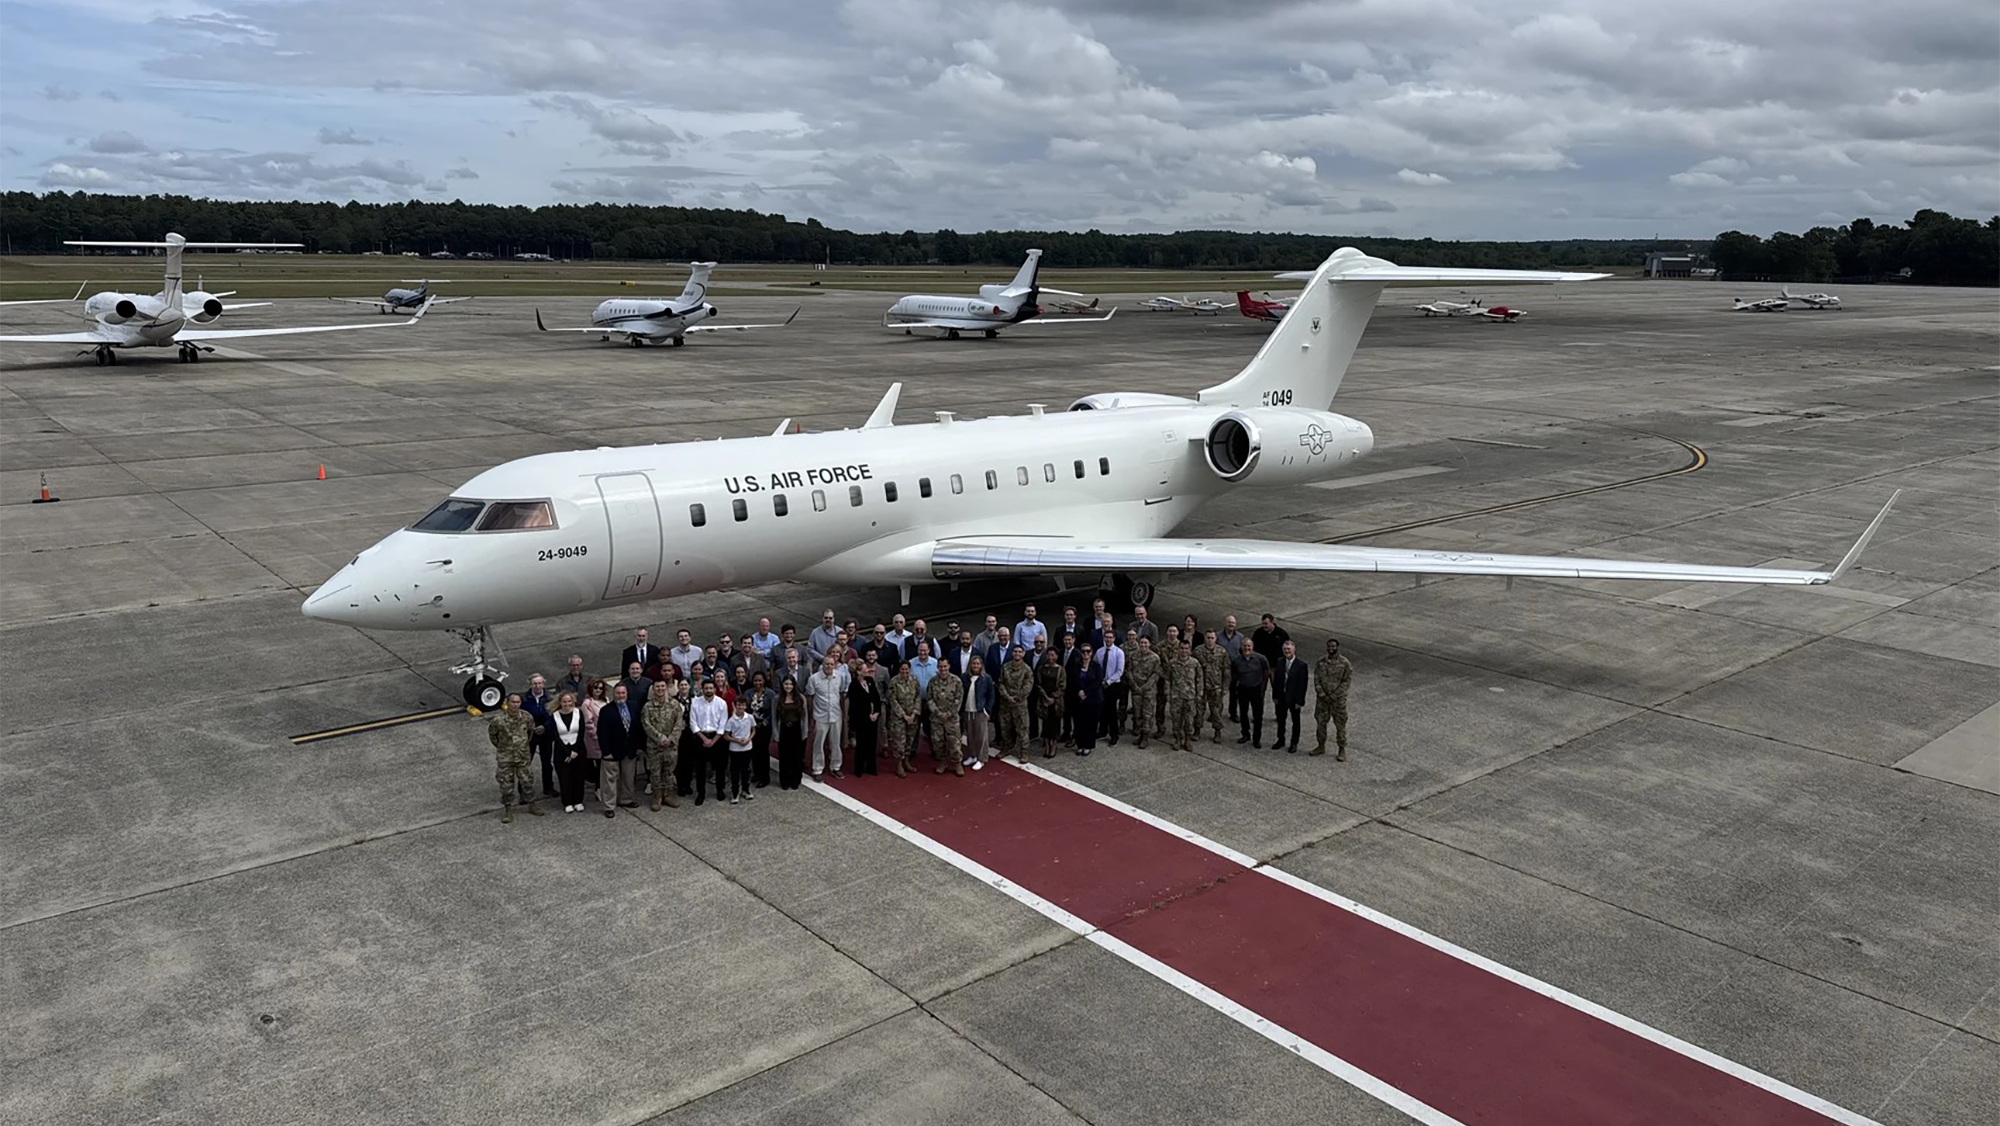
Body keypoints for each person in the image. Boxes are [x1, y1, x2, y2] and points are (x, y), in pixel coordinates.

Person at [488, 694, 541, 823]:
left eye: (517, 702)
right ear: (507, 703)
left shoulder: (527, 717)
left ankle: (532, 804)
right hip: (505, 757)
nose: (515, 705)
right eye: (513, 702)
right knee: (506, 784)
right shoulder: (498, 720)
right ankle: (508, 809)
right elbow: (493, 737)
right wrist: (504, 748)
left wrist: (522, 746)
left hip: (522, 756)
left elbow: (530, 733)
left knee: (527, 781)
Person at [596, 682, 644, 814]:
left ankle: (626, 799)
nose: (620, 695)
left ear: (627, 694)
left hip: (630, 750)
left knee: (628, 778)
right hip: (612, 751)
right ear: (613, 694)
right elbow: (601, 733)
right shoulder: (606, 710)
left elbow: (638, 728)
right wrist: (606, 752)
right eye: (618, 693)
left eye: (623, 693)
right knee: (609, 780)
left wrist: (638, 747)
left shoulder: (634, 706)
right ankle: (609, 806)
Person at [641, 682, 684, 811]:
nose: (660, 689)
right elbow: (646, 724)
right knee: (655, 773)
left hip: (671, 746)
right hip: (655, 747)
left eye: (662, 687)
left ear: (666, 689)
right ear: (653, 690)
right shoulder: (647, 707)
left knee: (669, 772)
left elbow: (679, 723)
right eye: (657, 687)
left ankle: (668, 795)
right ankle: (657, 797)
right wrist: (660, 737)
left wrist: (671, 738)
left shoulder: (674, 705)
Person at [687, 680, 729, 804]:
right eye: (706, 688)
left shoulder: (722, 703)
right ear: (703, 689)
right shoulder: (695, 703)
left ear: (715, 689)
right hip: (701, 738)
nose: (709, 691)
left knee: (720, 768)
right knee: (700, 769)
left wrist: (714, 740)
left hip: (718, 739)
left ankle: (720, 790)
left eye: (711, 688)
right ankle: (701, 793)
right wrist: (704, 739)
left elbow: (723, 724)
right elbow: (693, 723)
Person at [807, 653, 847, 779]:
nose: (829, 666)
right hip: (820, 715)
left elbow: (841, 695)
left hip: (836, 715)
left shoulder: (840, 677)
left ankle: (836, 767)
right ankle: (817, 769)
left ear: (835, 665)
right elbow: (810, 697)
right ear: (822, 665)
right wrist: (811, 716)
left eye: (831, 664)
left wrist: (843, 713)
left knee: (836, 743)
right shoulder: (814, 679)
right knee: (818, 743)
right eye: (826, 664)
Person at [1313, 638, 1355, 760]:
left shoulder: (1345, 663)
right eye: (1329, 646)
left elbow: (1346, 681)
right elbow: (1316, 679)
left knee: (1340, 725)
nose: (1331, 648)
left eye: (1333, 646)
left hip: (1338, 701)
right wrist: (1322, 694)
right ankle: (1320, 746)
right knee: (1321, 723)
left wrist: (1334, 695)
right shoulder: (1320, 662)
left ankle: (1342, 749)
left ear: (1337, 647)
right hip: (1322, 700)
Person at [519, 673, 557, 799]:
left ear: (544, 684)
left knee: (547, 763)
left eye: (540, 683)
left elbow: (553, 716)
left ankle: (548, 788)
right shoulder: (524, 699)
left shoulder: (550, 698)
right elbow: (520, 717)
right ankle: (524, 792)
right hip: (529, 735)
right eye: (535, 683)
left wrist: (545, 727)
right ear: (530, 685)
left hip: (545, 734)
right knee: (525, 763)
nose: (537, 686)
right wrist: (530, 728)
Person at [551, 691, 589, 812]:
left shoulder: (579, 713)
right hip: (561, 752)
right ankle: (567, 802)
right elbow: (556, 736)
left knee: (579, 776)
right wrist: (568, 752)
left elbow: (582, 731)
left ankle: (578, 800)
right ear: (560, 702)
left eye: (569, 701)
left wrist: (576, 750)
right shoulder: (555, 716)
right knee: (565, 778)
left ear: (573, 702)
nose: (567, 704)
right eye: (564, 701)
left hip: (578, 750)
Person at [848, 650, 884, 776]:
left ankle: (871, 767)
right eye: (864, 669)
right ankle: (859, 769)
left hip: (873, 718)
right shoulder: (854, 686)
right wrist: (867, 715)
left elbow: (876, 698)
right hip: (861, 720)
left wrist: (876, 713)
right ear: (858, 671)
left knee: (872, 744)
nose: (867, 670)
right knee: (861, 745)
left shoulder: (870, 681)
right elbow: (855, 706)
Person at [1272, 639, 1310, 753]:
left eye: (1289, 649)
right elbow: (1277, 681)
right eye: (1285, 649)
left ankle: (1294, 742)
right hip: (1281, 697)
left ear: (1294, 649)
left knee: (1295, 721)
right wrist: (1275, 696)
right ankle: (1280, 739)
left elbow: (1303, 685)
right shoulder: (1280, 662)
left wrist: (1300, 701)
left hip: (1294, 699)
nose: (1286, 651)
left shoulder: (1301, 665)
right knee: (1281, 719)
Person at [996, 646, 1033, 763]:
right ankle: (1006, 747)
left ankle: (1024, 751)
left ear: (1023, 654)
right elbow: (1000, 683)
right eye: (1015, 651)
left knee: (1023, 729)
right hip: (1005, 704)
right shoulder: (1005, 667)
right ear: (1012, 653)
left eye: (1019, 652)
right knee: (1005, 727)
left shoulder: (1027, 669)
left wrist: (1016, 698)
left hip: (1020, 705)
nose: (1017, 654)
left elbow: (1028, 687)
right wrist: (1007, 697)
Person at [1165, 641, 1203, 753]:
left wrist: (1199, 694)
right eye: (1181, 648)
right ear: (1178, 649)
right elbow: (1167, 679)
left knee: (1189, 720)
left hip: (1190, 697)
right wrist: (1167, 693)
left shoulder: (1195, 663)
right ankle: (1177, 739)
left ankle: (1188, 740)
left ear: (1189, 649)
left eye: (1186, 648)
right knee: (1176, 720)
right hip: (1176, 696)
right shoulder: (1172, 663)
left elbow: (1199, 679)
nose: (1184, 651)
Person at [927, 661, 965, 775]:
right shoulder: (933, 681)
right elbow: (930, 699)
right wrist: (938, 713)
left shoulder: (956, 681)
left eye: (945, 666)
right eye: (940, 667)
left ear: (949, 666)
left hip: (951, 718)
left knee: (954, 743)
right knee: (938, 742)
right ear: (937, 667)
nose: (943, 669)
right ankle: (942, 762)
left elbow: (958, 700)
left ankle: (957, 763)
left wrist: (948, 714)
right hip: (936, 719)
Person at [1232, 637, 1271, 747]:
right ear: (1241, 647)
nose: (1246, 648)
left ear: (1252, 647)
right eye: (1244, 646)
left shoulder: (1261, 659)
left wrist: (1262, 687)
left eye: (1249, 646)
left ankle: (1256, 739)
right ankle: (1245, 734)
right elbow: (1234, 675)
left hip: (1256, 689)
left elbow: (1267, 672)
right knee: (1243, 713)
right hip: (1243, 689)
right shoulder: (1236, 661)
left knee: (1257, 715)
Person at [1251, 613, 1291, 720]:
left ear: (1272, 622)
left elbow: (1288, 650)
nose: (1264, 626)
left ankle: (1280, 715)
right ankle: (1258, 715)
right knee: (1259, 693)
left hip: (1276, 668)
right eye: (1263, 624)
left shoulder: (1281, 634)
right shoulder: (1258, 633)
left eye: (1266, 624)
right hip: (1261, 668)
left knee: (1278, 692)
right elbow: (1253, 649)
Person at [1194, 630, 1231, 743]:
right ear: (1204, 638)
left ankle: (1217, 732)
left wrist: (1225, 687)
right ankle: (1197, 730)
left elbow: (1226, 670)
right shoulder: (1197, 651)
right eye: (1208, 638)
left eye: (1212, 638)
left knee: (1216, 712)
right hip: (1201, 687)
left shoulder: (1222, 652)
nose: (1210, 640)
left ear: (1215, 639)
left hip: (1216, 687)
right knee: (1199, 711)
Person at [886, 661, 922, 777]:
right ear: (899, 670)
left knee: (909, 740)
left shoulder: (914, 681)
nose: (905, 671)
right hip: (899, 718)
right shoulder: (894, 682)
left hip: (912, 717)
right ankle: (899, 764)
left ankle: (906, 761)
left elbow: (918, 697)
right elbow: (893, 700)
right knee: (899, 743)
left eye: (907, 669)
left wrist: (914, 713)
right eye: (902, 669)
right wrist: (903, 715)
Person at [1126, 636, 1163, 749]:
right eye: (1141, 643)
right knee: (1138, 714)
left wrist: (1145, 687)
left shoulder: (1155, 658)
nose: (1143, 645)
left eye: (1145, 643)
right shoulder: (1133, 656)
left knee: (1147, 714)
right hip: (1136, 690)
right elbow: (1129, 671)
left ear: (1150, 644)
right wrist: (1134, 685)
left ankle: (1145, 737)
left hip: (1148, 691)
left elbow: (1156, 674)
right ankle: (1141, 735)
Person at [774, 677, 809, 789]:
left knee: (796, 756)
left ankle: (795, 780)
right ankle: (784, 781)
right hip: (783, 729)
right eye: (786, 684)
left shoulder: (801, 698)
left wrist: (805, 732)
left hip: (797, 729)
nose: (788, 686)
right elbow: (774, 717)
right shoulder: (777, 699)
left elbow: (805, 717)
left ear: (794, 685)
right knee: (784, 757)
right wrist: (775, 733)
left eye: (790, 684)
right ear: (782, 685)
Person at [1034, 643, 1066, 758]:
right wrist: (1045, 697)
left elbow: (1062, 686)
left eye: (1053, 655)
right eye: (1048, 655)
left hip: (1055, 701)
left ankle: (1054, 745)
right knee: (1045, 724)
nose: (1050, 657)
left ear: (1056, 656)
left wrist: (1053, 698)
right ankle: (1047, 745)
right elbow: (1038, 684)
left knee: (1055, 723)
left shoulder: (1060, 670)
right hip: (1044, 700)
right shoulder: (1041, 668)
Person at [962, 655, 994, 769]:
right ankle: (972, 755)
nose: (975, 666)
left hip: (980, 711)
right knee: (970, 736)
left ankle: (982, 758)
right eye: (973, 663)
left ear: (981, 665)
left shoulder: (986, 678)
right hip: (968, 711)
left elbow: (991, 695)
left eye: (977, 664)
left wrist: (987, 709)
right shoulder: (965, 678)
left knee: (981, 736)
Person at [745, 670, 775, 788]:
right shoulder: (748, 693)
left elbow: (772, 712)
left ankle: (765, 777)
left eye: (760, 680)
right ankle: (756, 774)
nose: (758, 683)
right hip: (751, 727)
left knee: (763, 752)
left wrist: (764, 723)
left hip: (765, 727)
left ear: (764, 681)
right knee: (754, 751)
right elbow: (746, 709)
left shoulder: (771, 694)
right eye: (756, 680)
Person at [581, 679, 608, 809]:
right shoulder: (587, 703)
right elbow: (588, 723)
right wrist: (597, 736)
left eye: (600, 688)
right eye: (595, 688)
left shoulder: (606, 700)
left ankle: (603, 787)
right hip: (594, 739)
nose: (598, 690)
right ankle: (598, 788)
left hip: (607, 737)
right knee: (598, 765)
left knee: (605, 765)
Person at [1072, 644, 1103, 755]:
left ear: (1091, 653)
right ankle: (1080, 745)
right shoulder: (1076, 665)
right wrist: (1079, 691)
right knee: (1079, 723)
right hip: (1079, 699)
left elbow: (1098, 682)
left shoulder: (1096, 666)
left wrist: (1086, 692)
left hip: (1093, 699)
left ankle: (1088, 745)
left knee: (1090, 723)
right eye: (1083, 651)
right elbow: (1073, 680)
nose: (1085, 654)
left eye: (1088, 651)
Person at [909, 640, 940, 751]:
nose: (922, 653)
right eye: (920, 650)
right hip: (915, 701)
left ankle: (934, 750)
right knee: (914, 728)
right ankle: (912, 751)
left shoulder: (936, 664)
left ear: (929, 651)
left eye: (925, 650)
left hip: (930, 701)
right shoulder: (911, 664)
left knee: (931, 727)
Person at [725, 697, 756, 803]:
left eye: (743, 705)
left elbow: (753, 730)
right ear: (735, 706)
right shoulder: (731, 720)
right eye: (738, 705)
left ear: (746, 706)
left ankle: (746, 790)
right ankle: (734, 792)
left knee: (746, 770)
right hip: (735, 749)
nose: (740, 707)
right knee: (735, 772)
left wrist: (748, 739)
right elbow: (726, 736)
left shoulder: (750, 717)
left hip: (747, 748)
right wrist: (737, 740)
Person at [1098, 634, 1127, 746]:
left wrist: (1108, 682)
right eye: (1106, 637)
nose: (1108, 639)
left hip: (1113, 685)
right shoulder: (1099, 652)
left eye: (1110, 637)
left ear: (1114, 639)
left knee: (1111, 711)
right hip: (1101, 684)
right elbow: (1096, 666)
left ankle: (1114, 734)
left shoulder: (1119, 652)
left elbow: (1120, 671)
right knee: (1102, 709)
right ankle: (1102, 731)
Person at [1218, 615, 1245, 722]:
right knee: (1218, 692)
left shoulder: (1240, 637)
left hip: (1234, 669)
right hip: (1220, 668)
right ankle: (1216, 713)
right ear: (1225, 623)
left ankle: (1233, 713)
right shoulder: (1218, 636)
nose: (1231, 624)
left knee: (1234, 693)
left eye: (1233, 623)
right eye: (1229, 622)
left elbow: (1243, 653)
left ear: (1236, 624)